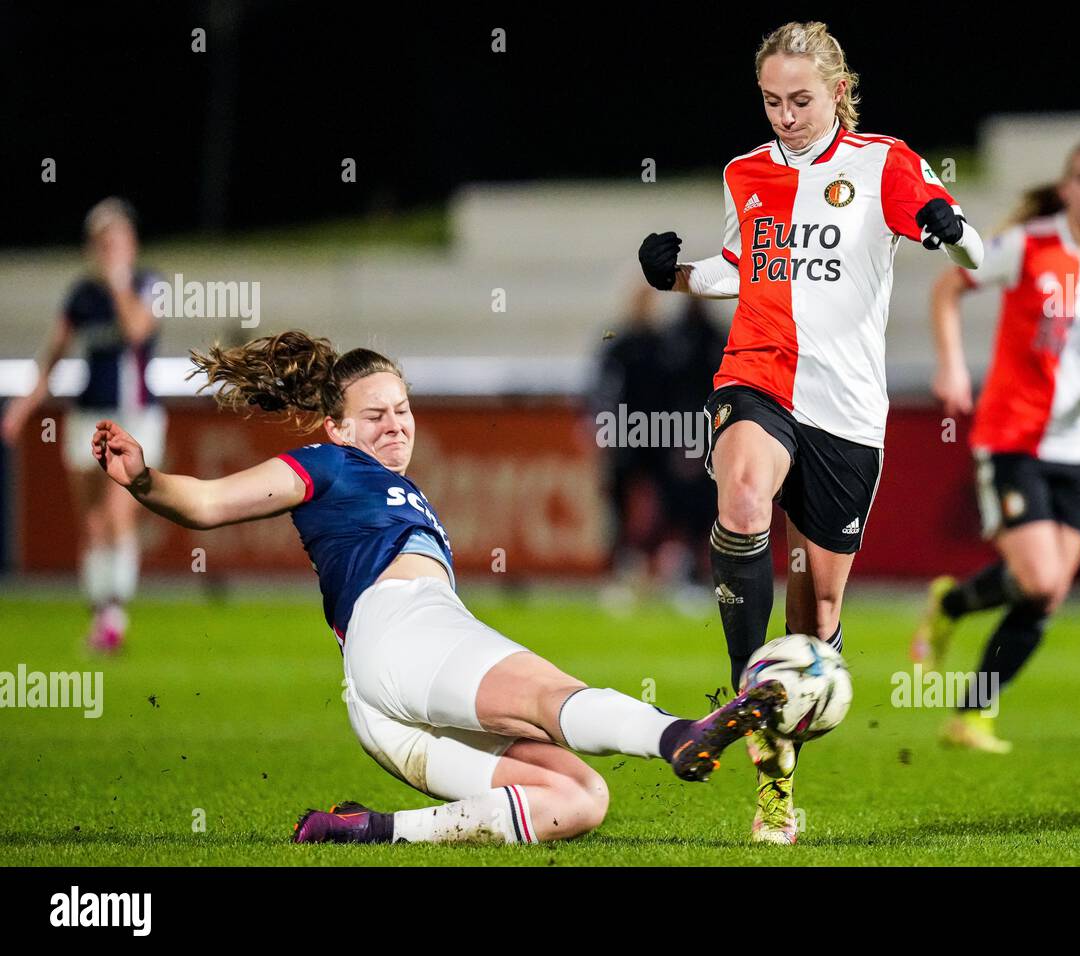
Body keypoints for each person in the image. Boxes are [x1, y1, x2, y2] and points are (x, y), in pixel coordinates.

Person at [91, 329, 786, 845]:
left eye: (402, 409)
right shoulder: (328, 465)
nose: (395, 424)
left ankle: (367, 831)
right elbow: (210, 504)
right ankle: (677, 735)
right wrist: (145, 481)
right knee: (547, 698)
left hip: (382, 705)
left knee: (578, 798)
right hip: (402, 637)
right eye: (375, 415)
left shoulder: (400, 488)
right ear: (336, 426)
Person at [637, 20, 985, 843]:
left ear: (837, 90)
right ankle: (740, 687)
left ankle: (777, 785)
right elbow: (743, 268)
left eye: (800, 100)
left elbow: (971, 248)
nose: (785, 116)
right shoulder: (745, 172)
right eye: (770, 101)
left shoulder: (885, 164)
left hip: (849, 411)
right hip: (756, 376)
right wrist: (676, 274)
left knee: (820, 611)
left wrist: (944, 225)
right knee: (745, 496)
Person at [911, 134, 1080, 753]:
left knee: (1042, 596)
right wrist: (952, 366)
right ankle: (953, 620)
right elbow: (948, 288)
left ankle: (968, 703)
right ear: (1068, 188)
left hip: (1076, 447)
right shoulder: (1029, 245)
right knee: (1042, 578)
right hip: (1011, 435)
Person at [1, 198, 165, 651]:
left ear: (130, 243)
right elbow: (52, 355)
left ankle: (116, 612)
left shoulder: (150, 283)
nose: (110, 249)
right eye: (102, 241)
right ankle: (101, 615)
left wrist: (117, 283)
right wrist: (21, 407)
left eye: (117, 239)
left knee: (118, 514)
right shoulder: (81, 294)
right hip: (88, 415)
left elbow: (136, 330)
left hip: (135, 417)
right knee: (91, 522)